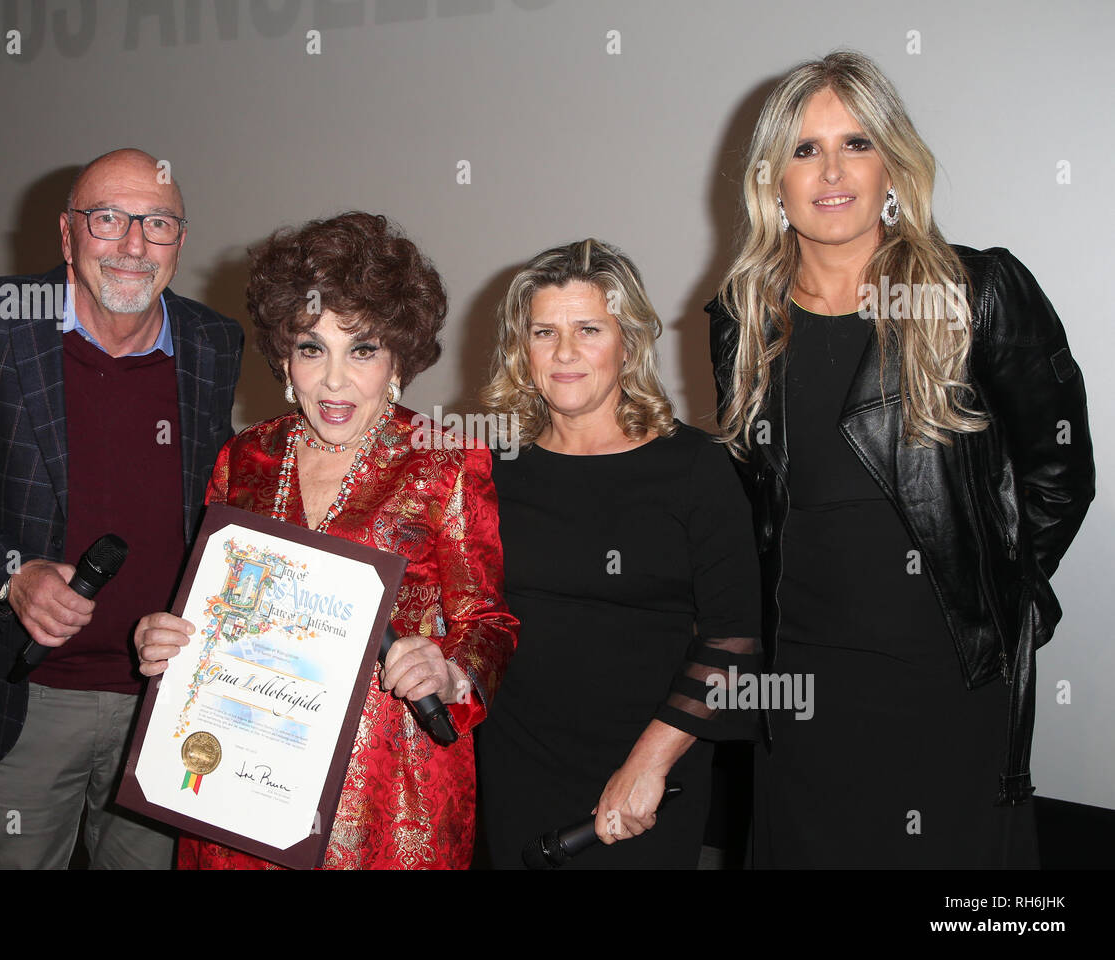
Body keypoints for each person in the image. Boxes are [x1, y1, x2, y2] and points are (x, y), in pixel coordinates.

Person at [707, 51, 1094, 868]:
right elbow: (760, 508)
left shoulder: (975, 294)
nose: (832, 171)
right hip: (802, 689)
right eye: (805, 150)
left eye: (856, 142)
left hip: (945, 683)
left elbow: (1060, 472)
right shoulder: (741, 322)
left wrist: (994, 599)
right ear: (772, 178)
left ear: (892, 162)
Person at [0, 148, 244, 868]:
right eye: (108, 219)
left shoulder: (213, 341)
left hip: (165, 697)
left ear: (182, 239)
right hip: (30, 694)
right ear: (66, 235)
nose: (134, 245)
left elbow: (220, 500)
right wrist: (9, 576)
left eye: (160, 224)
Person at [135, 211, 518, 870]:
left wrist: (449, 669)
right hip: (240, 775)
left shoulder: (442, 461)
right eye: (313, 347)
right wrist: (169, 638)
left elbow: (488, 622)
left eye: (362, 348)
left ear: (400, 354)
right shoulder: (245, 458)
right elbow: (212, 615)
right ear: (285, 353)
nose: (335, 380)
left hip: (384, 794)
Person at [474, 239, 762, 869]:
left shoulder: (695, 468)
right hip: (512, 762)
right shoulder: (491, 467)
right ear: (521, 352)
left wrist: (647, 762)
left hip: (644, 772)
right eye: (544, 332)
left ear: (627, 342)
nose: (566, 352)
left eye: (588, 329)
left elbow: (735, 641)